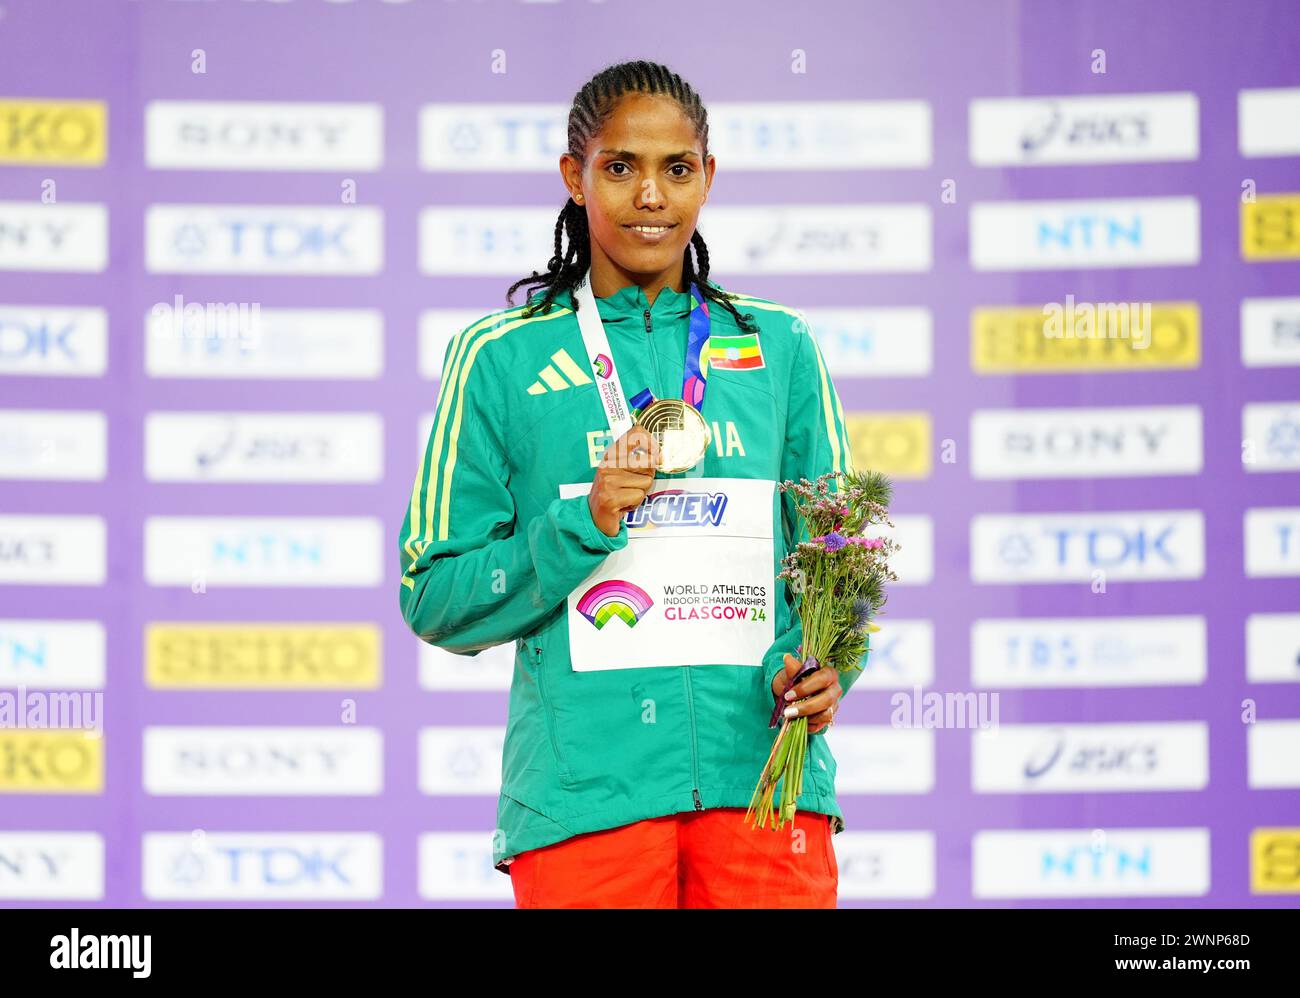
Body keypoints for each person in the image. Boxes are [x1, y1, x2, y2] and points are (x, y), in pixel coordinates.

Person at [397, 60, 866, 908]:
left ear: (708, 179)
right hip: (587, 806)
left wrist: (830, 666)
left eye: (676, 170)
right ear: (575, 177)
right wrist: (583, 519)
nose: (650, 195)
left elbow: (837, 566)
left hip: (764, 791)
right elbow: (436, 596)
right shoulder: (500, 356)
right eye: (620, 167)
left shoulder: (782, 347)